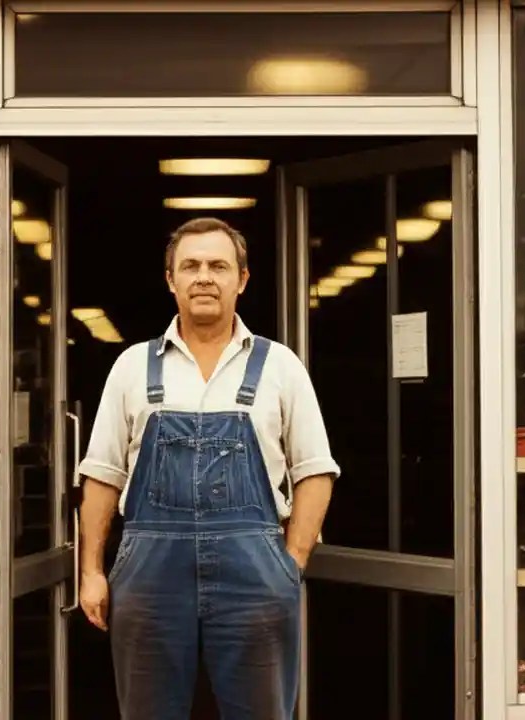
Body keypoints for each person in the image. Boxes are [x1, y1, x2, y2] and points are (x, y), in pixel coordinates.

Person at [76, 216, 339, 719]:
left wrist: (291, 563)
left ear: (241, 279)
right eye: (190, 265)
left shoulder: (280, 366)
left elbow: (315, 470)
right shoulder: (132, 365)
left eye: (218, 266)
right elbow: (102, 475)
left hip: (255, 576)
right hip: (150, 576)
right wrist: (92, 572)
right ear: (170, 279)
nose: (204, 277)